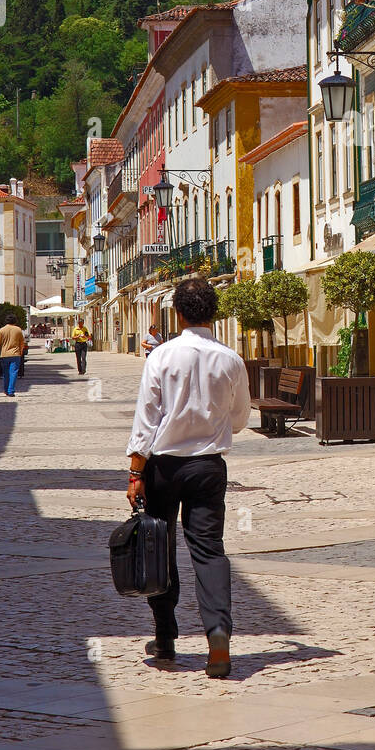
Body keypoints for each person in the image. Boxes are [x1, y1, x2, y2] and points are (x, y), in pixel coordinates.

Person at [126, 278, 251, 678]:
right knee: (209, 551)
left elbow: (146, 421)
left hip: (164, 466)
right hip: (208, 466)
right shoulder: (230, 359)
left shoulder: (160, 357)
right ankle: (218, 637)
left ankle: (164, 636)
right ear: (214, 313)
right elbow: (241, 418)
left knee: (160, 548)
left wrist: (135, 472)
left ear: (177, 313)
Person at [0, 315, 26, 397]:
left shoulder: (2, 330)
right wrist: (21, 352)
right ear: (15, 321)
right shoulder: (18, 330)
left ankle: (5, 390)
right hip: (15, 354)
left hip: (4, 354)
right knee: (13, 373)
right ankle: (11, 391)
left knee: (5, 373)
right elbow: (22, 342)